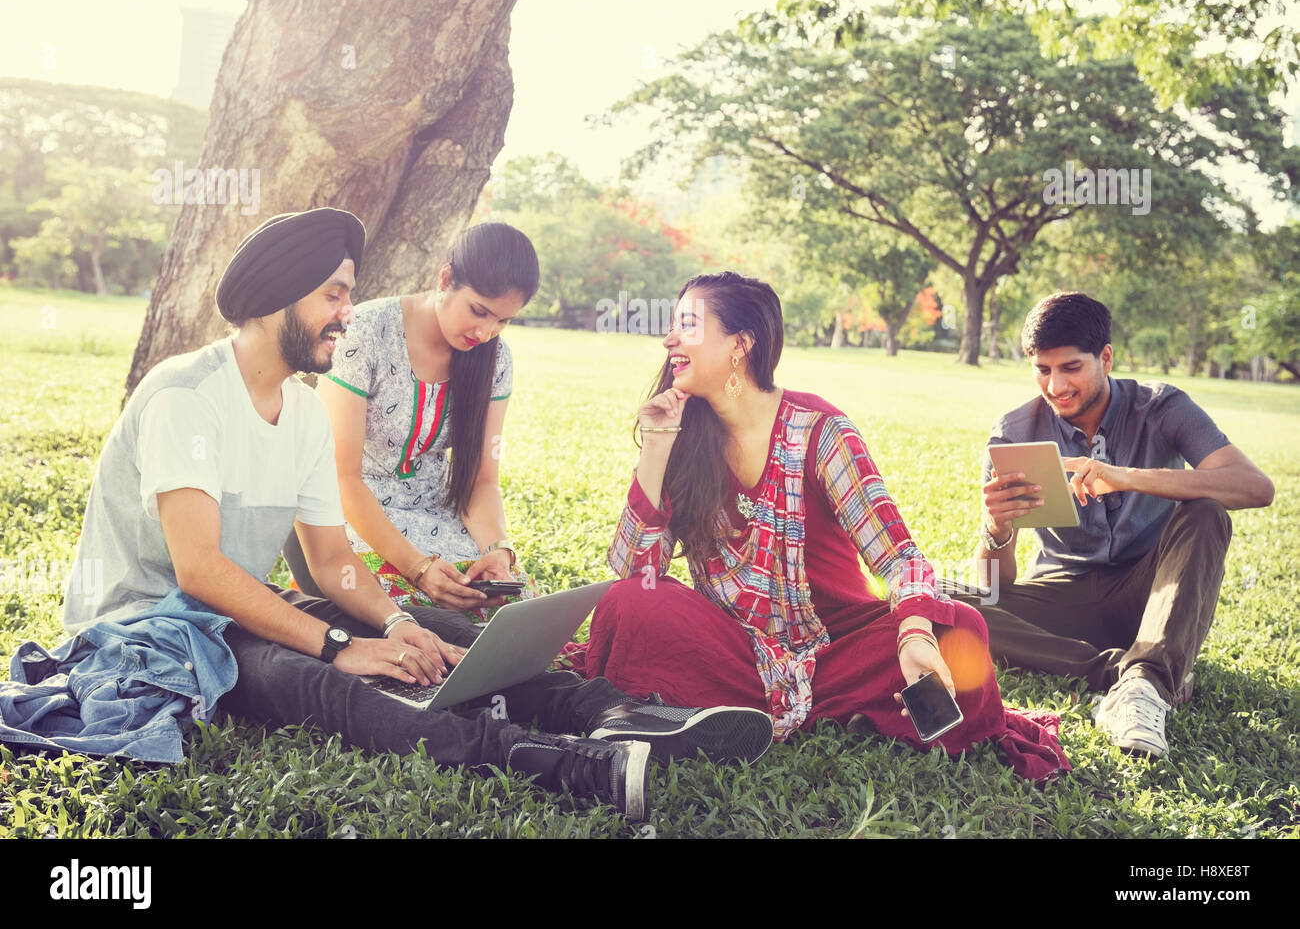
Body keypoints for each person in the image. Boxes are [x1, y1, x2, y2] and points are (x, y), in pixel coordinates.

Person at [51, 209, 773, 820]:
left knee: (447, 633)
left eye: (348, 296)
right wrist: (340, 645)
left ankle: (610, 710)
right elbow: (200, 570)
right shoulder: (186, 394)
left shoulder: (300, 408)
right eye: (333, 296)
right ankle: (555, 763)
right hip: (154, 623)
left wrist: (397, 621)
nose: (345, 314)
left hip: (233, 606)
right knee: (311, 677)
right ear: (279, 295)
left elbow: (331, 557)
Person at [572, 271, 1070, 782]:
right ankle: (794, 714)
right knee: (627, 603)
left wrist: (915, 634)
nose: (669, 338)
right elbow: (637, 573)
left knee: (961, 630)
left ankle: (715, 711)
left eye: (688, 325)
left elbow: (898, 557)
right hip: (735, 648)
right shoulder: (684, 434)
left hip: (840, 651)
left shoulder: (820, 432)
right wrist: (656, 445)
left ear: (741, 344)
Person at [971, 292, 1274, 757]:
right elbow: (992, 588)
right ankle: (1122, 672)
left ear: (1105, 358)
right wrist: (996, 529)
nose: (1055, 387)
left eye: (1071, 367)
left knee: (1206, 509)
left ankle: (1145, 686)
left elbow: (1255, 488)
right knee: (936, 601)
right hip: (1060, 600)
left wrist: (1125, 477)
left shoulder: (1162, 407)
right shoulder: (1013, 434)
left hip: (1151, 594)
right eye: (1043, 370)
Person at [316, 221, 535, 624]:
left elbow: (481, 480)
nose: (487, 332)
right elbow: (340, 478)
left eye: (503, 321)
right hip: (354, 517)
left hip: (437, 513)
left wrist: (496, 552)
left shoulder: (495, 360)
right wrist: (417, 567)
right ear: (446, 277)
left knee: (517, 615)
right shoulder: (364, 334)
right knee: (435, 622)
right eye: (479, 310)